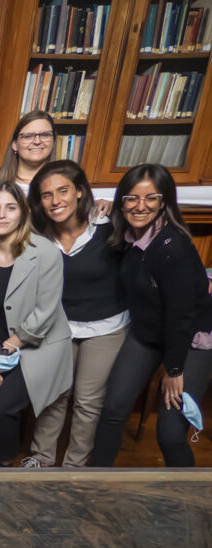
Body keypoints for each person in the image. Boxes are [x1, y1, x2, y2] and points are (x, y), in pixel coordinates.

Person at [92, 163, 212, 467]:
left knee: (170, 434)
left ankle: (186, 492)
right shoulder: (126, 236)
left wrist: (174, 370)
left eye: (150, 198)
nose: (140, 206)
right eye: (132, 198)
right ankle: (95, 485)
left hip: (190, 340)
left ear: (164, 202)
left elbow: (181, 316)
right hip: (147, 334)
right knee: (112, 411)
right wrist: (106, 206)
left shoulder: (173, 247)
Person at [20, 159, 127, 467]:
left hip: (105, 328)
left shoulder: (109, 225)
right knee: (54, 394)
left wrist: (113, 206)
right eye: (47, 195)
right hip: (59, 326)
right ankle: (41, 459)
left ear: (80, 191)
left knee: (88, 401)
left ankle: (74, 466)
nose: (55, 201)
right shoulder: (36, 237)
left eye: (63, 191)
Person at [0, 183, 71, 466]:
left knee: (2, 408)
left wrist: (2, 353)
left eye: (10, 208)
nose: (1, 215)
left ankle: (4, 467)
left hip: (38, 345)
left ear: (22, 215)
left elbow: (45, 313)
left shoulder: (45, 252)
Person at [0, 110, 56, 194]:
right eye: (28, 136)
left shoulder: (64, 182)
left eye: (45, 135)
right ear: (15, 144)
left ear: (53, 142)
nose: (37, 141)